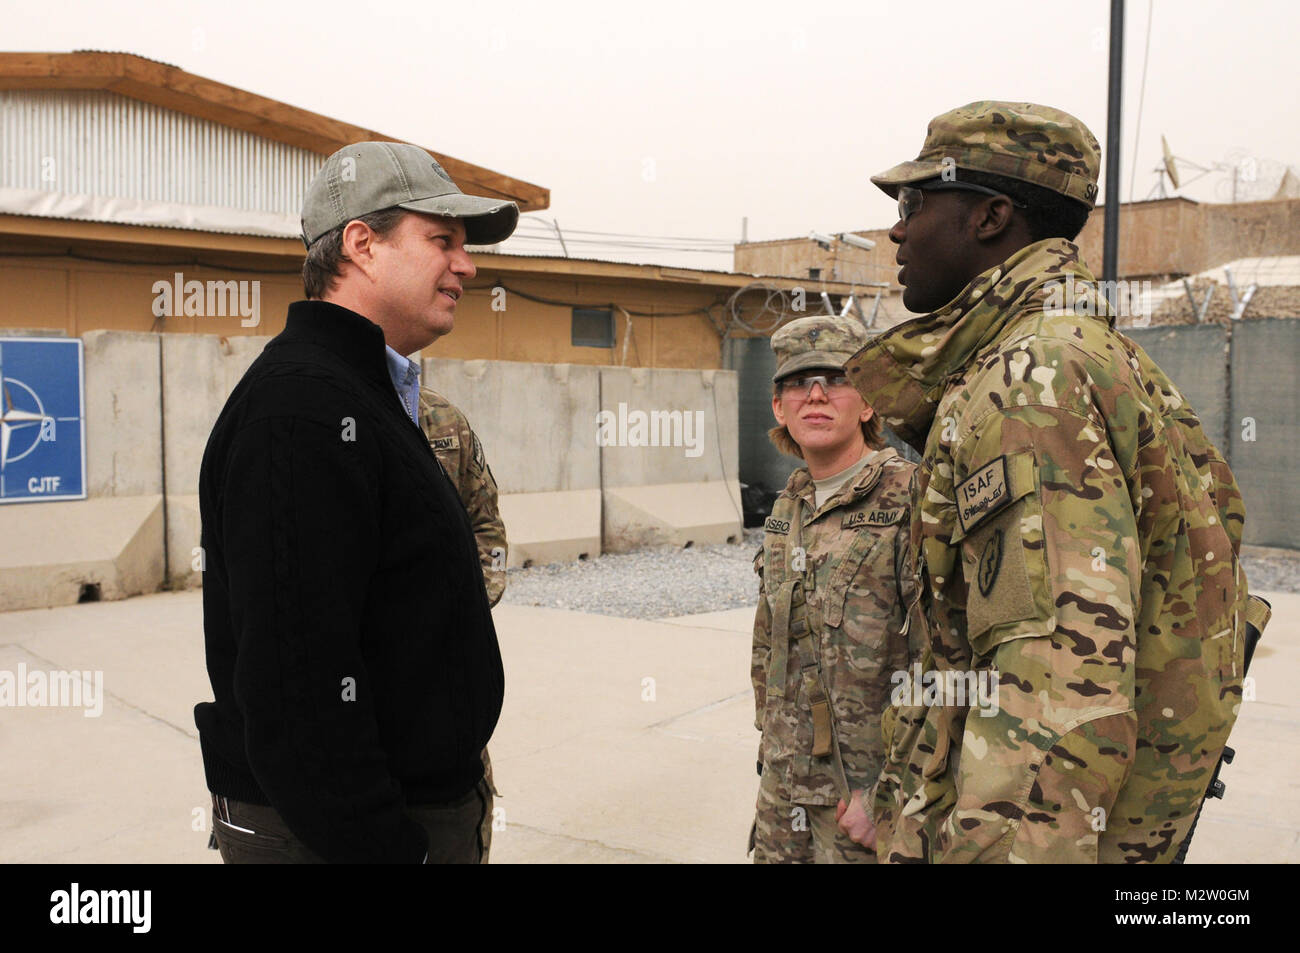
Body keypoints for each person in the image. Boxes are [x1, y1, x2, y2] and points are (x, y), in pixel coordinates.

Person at [845, 101, 1257, 863]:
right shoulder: (1085, 350)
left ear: (991, 217)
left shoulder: (1031, 379)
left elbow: (1054, 703)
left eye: (912, 203)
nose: (896, 230)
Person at [196, 141, 518, 863]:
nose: (466, 265)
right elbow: (298, 694)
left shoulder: (363, 397)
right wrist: (388, 848)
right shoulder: (303, 412)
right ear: (362, 245)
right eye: (442, 241)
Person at [750, 315, 919, 863]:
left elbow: (947, 657)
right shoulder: (788, 507)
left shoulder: (911, 500)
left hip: (863, 803)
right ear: (779, 407)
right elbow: (769, 644)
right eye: (798, 383)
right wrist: (770, 749)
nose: (815, 395)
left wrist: (891, 790)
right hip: (783, 786)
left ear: (868, 403)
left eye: (835, 379)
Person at [417, 386, 508, 861]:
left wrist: (467, 607)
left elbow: (486, 525)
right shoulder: (310, 403)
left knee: (461, 822)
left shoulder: (442, 418)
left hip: (445, 675)